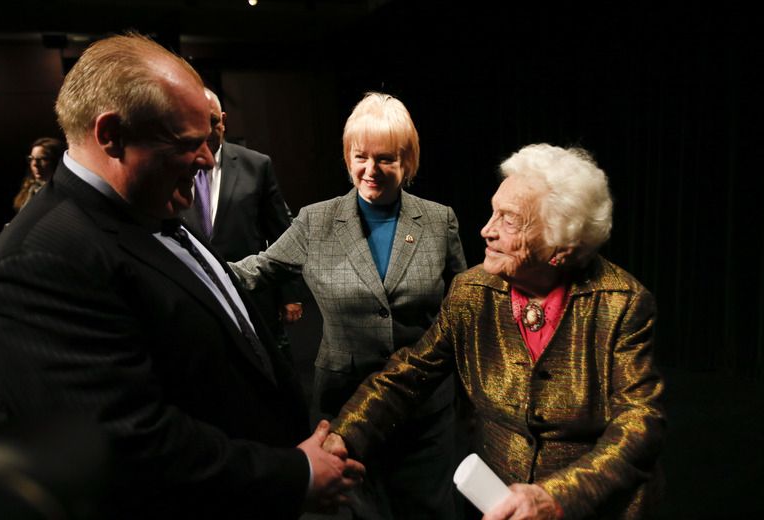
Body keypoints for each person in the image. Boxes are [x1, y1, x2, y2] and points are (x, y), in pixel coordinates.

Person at [0, 33, 362, 519]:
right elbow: (126, 444)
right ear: (112, 135)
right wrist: (294, 473)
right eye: (188, 144)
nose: (207, 160)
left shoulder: (150, 206)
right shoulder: (41, 260)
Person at [325, 144, 666, 520]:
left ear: (562, 244)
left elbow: (640, 424)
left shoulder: (621, 304)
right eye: (493, 213)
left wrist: (556, 498)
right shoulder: (472, 293)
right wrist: (345, 435)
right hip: (494, 502)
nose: (486, 230)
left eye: (509, 220)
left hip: (594, 509)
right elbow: (408, 375)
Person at [230, 92, 468, 519]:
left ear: (407, 161)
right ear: (348, 157)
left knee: (427, 509)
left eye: (385, 159)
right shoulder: (315, 220)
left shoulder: (438, 220)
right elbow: (256, 270)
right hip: (343, 405)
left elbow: (463, 306)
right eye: (361, 157)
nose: (370, 170)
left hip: (423, 406)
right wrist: (189, 269)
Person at [179, 88, 305, 356]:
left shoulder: (256, 165)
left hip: (253, 296)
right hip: (195, 297)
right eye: (197, 121)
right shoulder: (173, 168)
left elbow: (282, 233)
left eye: (212, 120)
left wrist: (290, 294)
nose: (206, 129)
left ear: (224, 119)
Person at [12, 137, 65, 212]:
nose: (35, 164)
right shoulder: (31, 188)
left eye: (43, 159)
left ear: (56, 161)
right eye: (31, 158)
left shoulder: (62, 193)